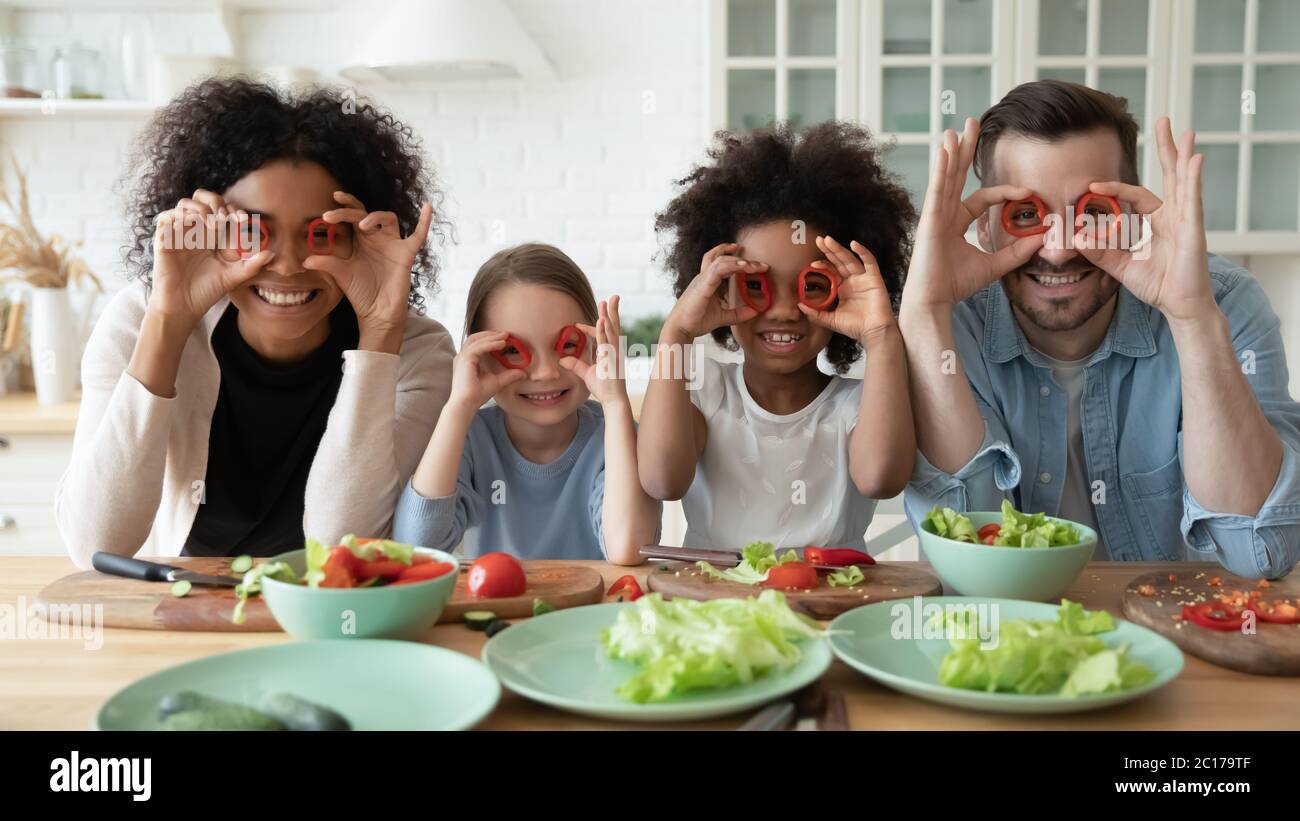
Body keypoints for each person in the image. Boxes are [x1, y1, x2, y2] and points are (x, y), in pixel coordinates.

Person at [901, 80, 1300, 578]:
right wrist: (923, 314)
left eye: (1092, 212)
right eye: (1027, 215)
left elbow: (1260, 553)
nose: (1059, 248)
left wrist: (1192, 319)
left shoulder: (1220, 302)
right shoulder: (947, 322)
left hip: (1173, 642)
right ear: (986, 227)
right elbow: (970, 560)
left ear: (1132, 216)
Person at [55, 77, 454, 567]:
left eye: (322, 234)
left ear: (361, 237)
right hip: (185, 610)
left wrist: (379, 332)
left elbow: (340, 548)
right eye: (250, 231)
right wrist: (169, 320)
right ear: (205, 230)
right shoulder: (139, 321)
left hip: (333, 619)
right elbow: (95, 544)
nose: (287, 264)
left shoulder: (416, 352)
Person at [639, 122, 917, 551]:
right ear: (718, 288)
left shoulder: (857, 404)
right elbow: (662, 479)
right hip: (718, 609)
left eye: (812, 285)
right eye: (756, 286)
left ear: (844, 292)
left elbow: (880, 478)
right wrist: (675, 334)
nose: (784, 311)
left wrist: (882, 336)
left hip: (830, 609)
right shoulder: (703, 390)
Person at [393, 243, 660, 564]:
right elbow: (414, 549)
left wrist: (616, 404)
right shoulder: (470, 439)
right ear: (479, 357)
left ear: (595, 347)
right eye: (512, 351)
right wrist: (458, 406)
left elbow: (628, 548)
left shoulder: (617, 437)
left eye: (567, 345)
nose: (546, 372)